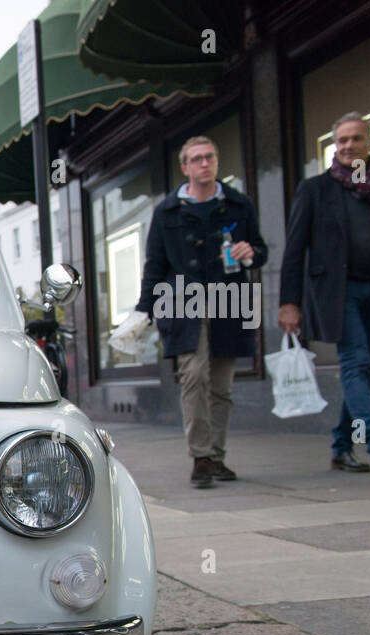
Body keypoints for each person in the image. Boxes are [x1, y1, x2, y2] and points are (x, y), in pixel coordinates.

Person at [278, 112, 370, 477]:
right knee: (355, 361)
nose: (349, 145)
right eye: (342, 140)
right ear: (335, 146)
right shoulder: (316, 189)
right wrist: (289, 302)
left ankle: (341, 446)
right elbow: (294, 249)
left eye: (356, 139)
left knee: (364, 369)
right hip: (336, 292)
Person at [136, 135, 268, 488]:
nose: (204, 164)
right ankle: (200, 457)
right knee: (194, 375)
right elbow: (155, 264)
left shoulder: (239, 205)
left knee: (222, 384)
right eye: (196, 159)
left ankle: (217, 457)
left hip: (230, 300)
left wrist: (249, 253)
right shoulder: (166, 211)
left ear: (217, 161)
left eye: (209, 157)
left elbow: (262, 251)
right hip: (182, 302)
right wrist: (143, 309)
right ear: (185, 167)